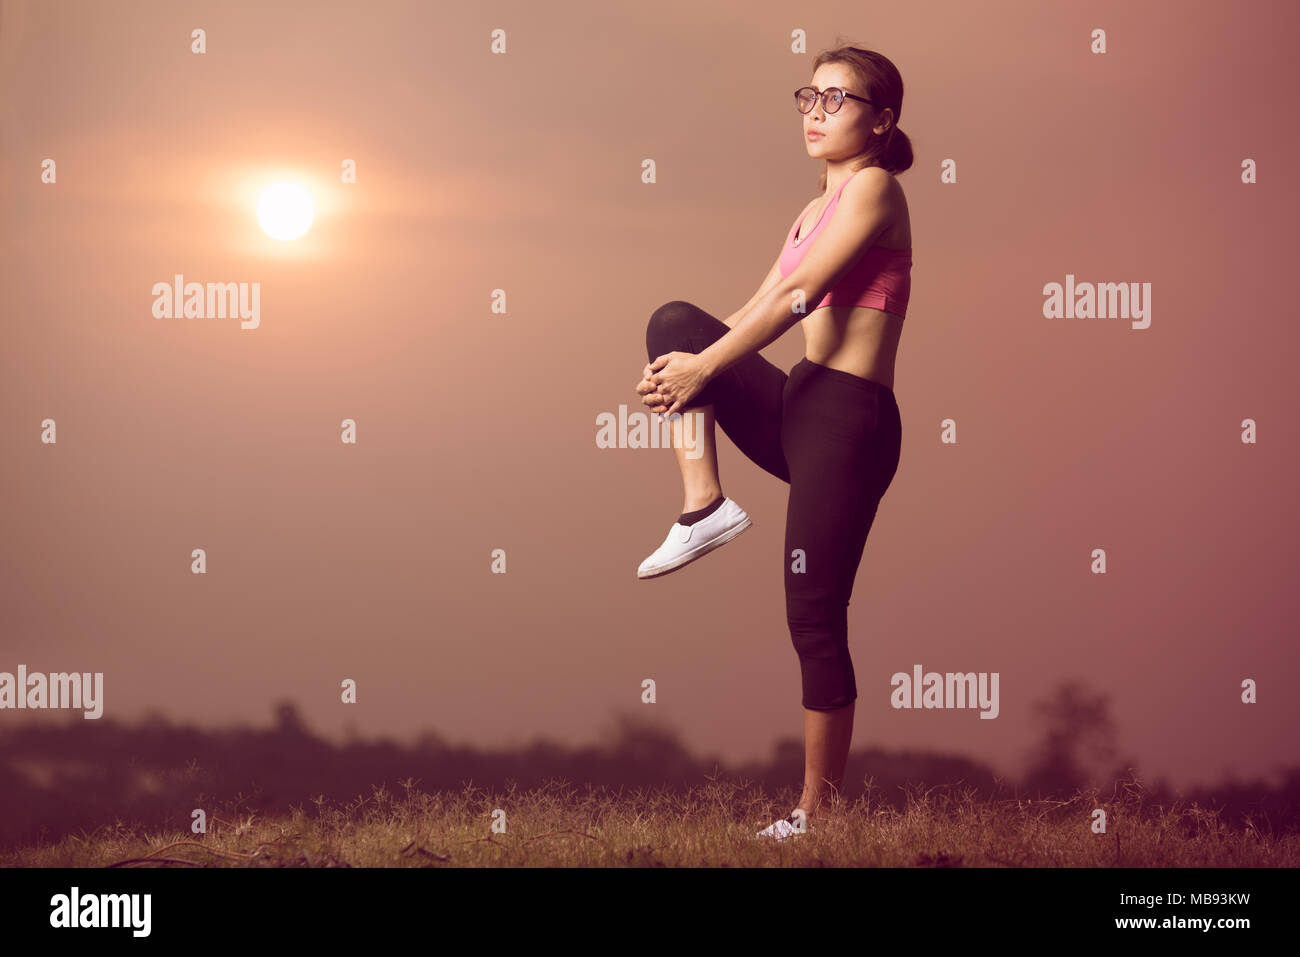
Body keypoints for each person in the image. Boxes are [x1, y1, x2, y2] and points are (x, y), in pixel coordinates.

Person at [634, 45, 915, 841]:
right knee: (676, 325)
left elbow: (797, 298)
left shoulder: (875, 191)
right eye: (810, 97)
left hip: (850, 422)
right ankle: (704, 505)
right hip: (799, 401)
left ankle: (815, 814)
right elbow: (757, 301)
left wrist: (704, 374)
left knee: (815, 613)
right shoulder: (809, 207)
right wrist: (684, 370)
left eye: (839, 99)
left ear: (881, 119)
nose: (817, 112)